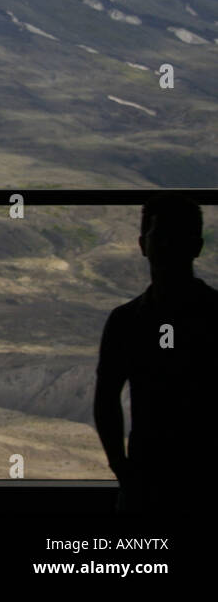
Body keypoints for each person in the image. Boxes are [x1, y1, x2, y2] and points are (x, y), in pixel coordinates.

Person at [94, 192, 218, 514]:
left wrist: (121, 467)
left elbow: (106, 399)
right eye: (163, 236)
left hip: (148, 481)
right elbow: (105, 400)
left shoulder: (127, 320)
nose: (167, 246)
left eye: (173, 237)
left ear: (141, 245)